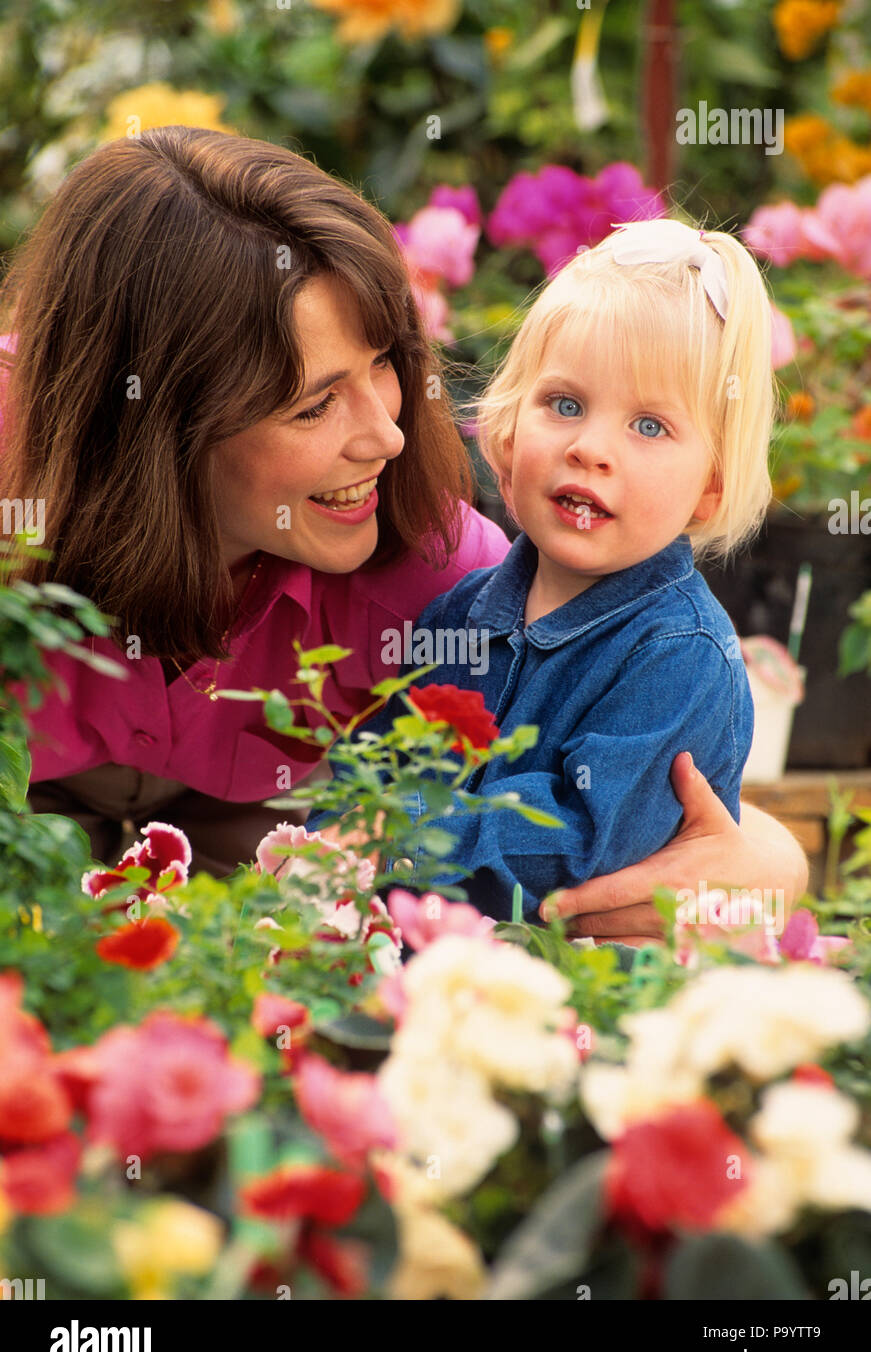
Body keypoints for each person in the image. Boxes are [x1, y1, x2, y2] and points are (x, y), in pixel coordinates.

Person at [0, 127, 807, 941]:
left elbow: (655, 811)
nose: (386, 437)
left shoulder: (435, 567)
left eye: (381, 363)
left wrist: (773, 868)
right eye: (313, 405)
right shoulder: (19, 475)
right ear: (162, 423)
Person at [307, 219, 778, 925]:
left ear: (709, 487)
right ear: (505, 432)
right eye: (564, 405)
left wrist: (390, 833)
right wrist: (324, 837)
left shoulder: (678, 657)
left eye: (648, 426)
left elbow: (579, 848)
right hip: (419, 974)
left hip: (581, 999)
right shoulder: (457, 614)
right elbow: (370, 764)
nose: (590, 448)